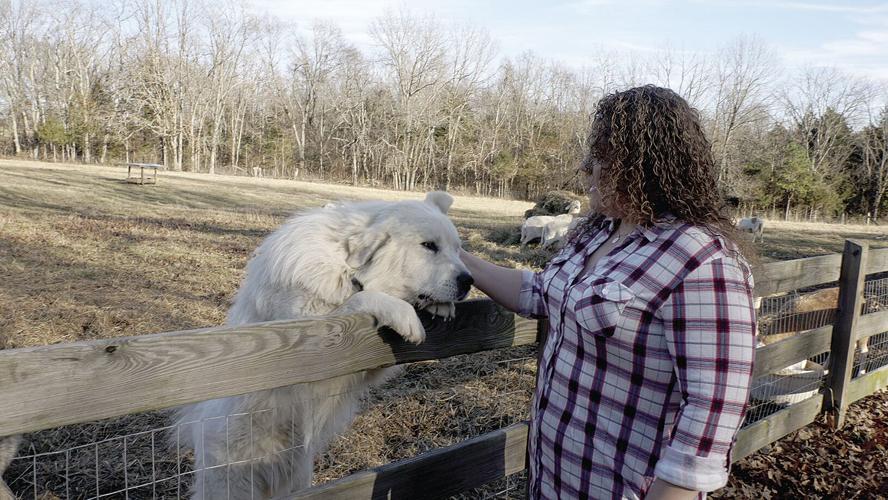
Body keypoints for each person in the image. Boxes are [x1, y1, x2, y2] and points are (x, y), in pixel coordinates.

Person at [460, 85, 756, 499]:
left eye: (601, 158)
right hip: (555, 478)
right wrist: (458, 259)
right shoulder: (600, 231)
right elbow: (541, 293)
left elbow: (711, 413)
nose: (586, 169)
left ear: (643, 167)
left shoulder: (703, 261)